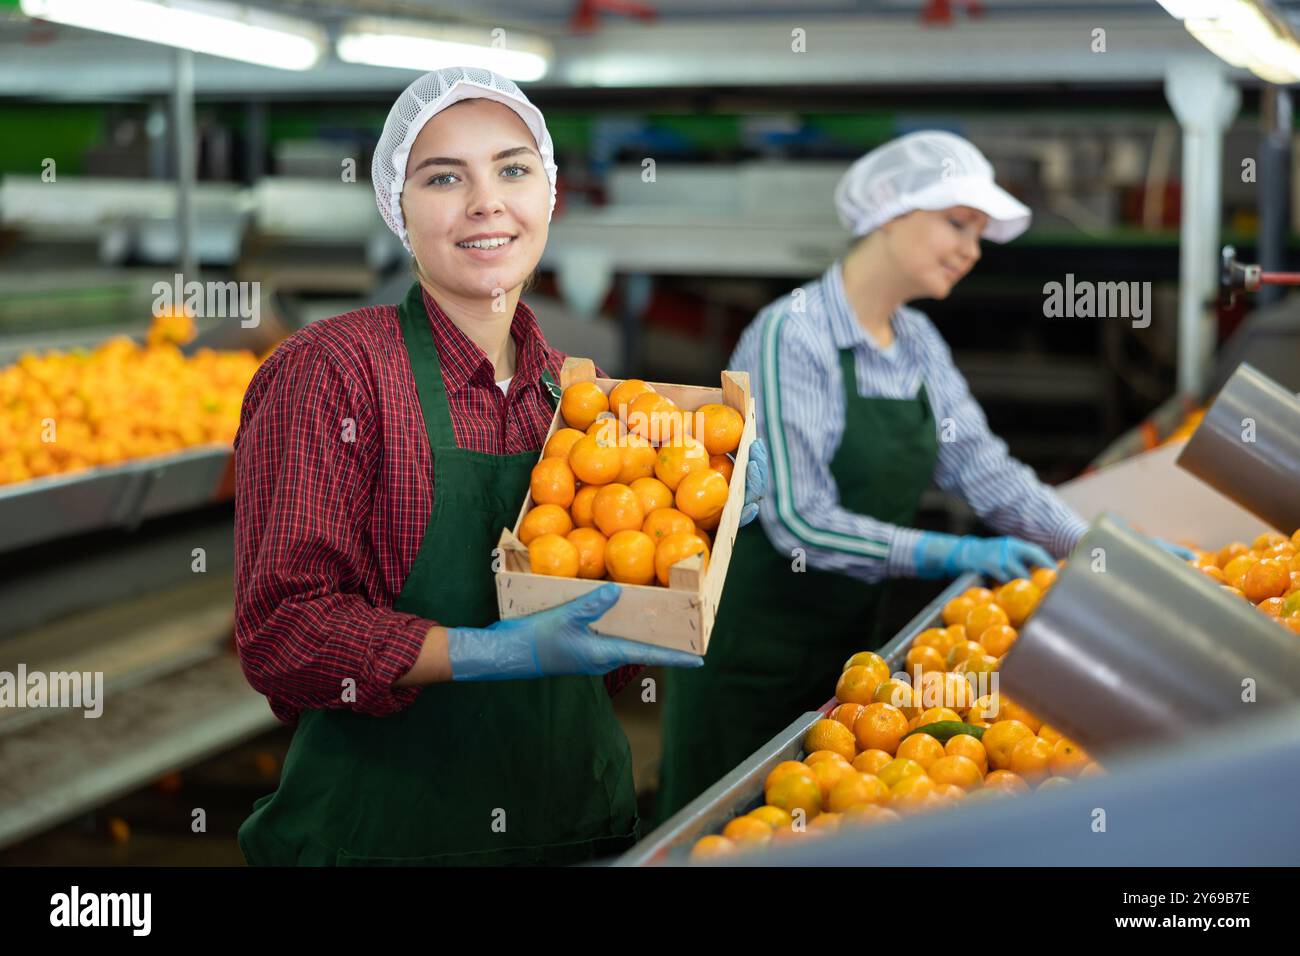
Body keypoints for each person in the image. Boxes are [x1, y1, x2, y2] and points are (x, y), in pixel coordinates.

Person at [232, 66, 764, 866]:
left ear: (548, 195)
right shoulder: (334, 371)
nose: (486, 202)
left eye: (513, 170)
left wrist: (687, 561)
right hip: (383, 838)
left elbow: (591, 660)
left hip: (574, 828)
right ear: (397, 208)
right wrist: (495, 651)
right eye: (444, 177)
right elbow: (284, 634)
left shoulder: (579, 399)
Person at [655, 130, 1190, 824]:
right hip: (753, 653)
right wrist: (950, 551)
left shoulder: (916, 343)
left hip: (852, 652)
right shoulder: (794, 334)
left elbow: (985, 471)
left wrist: (1103, 549)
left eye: (980, 234)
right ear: (890, 211)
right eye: (958, 223)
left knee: (834, 818)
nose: (972, 249)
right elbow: (797, 518)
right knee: (732, 828)